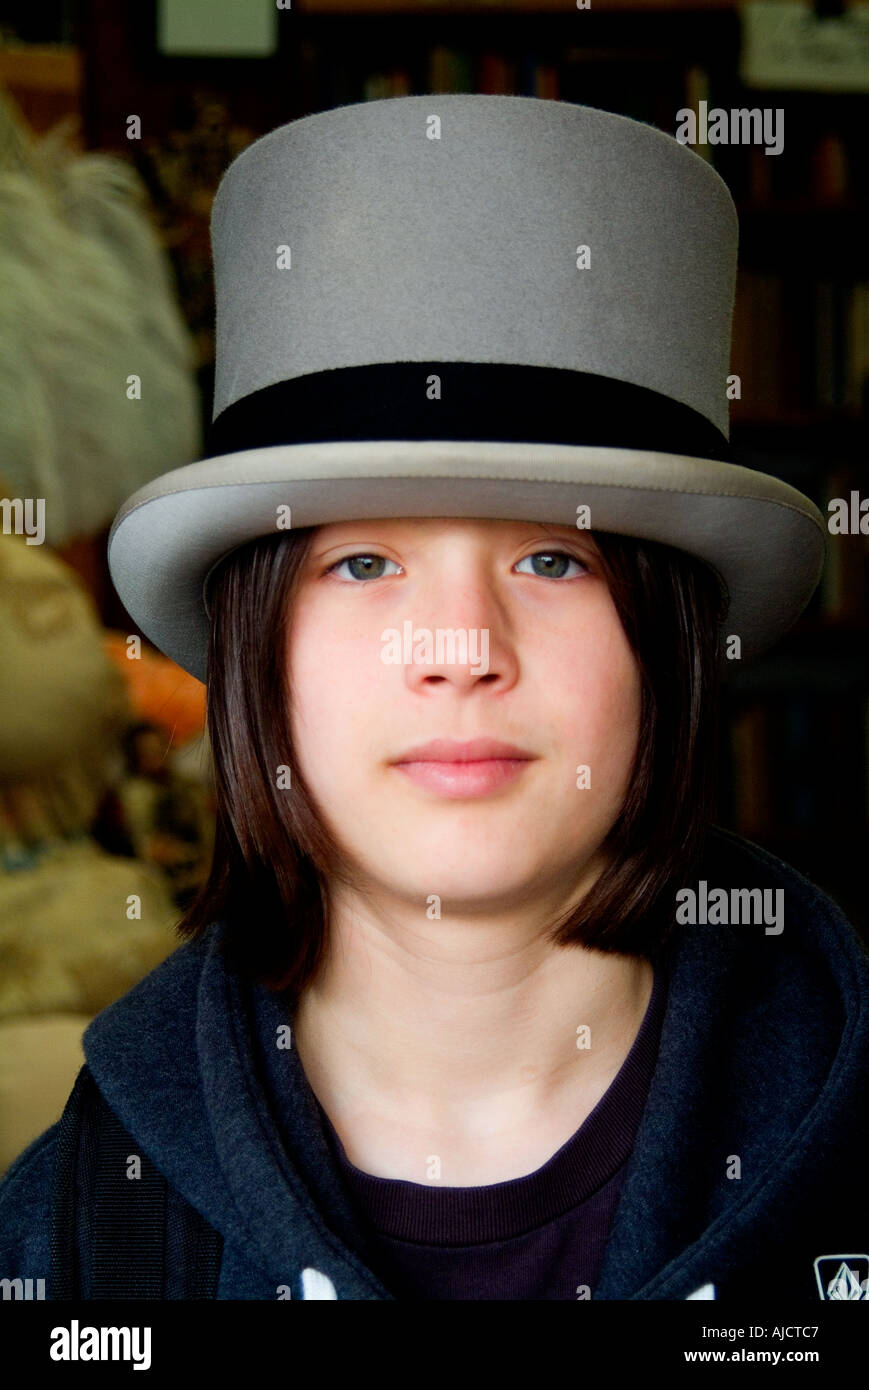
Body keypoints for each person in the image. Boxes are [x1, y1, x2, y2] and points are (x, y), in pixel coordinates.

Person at [1, 94, 867, 1303]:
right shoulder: (80, 1232)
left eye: (553, 559)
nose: (460, 647)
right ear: (259, 649)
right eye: (361, 563)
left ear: (664, 643)